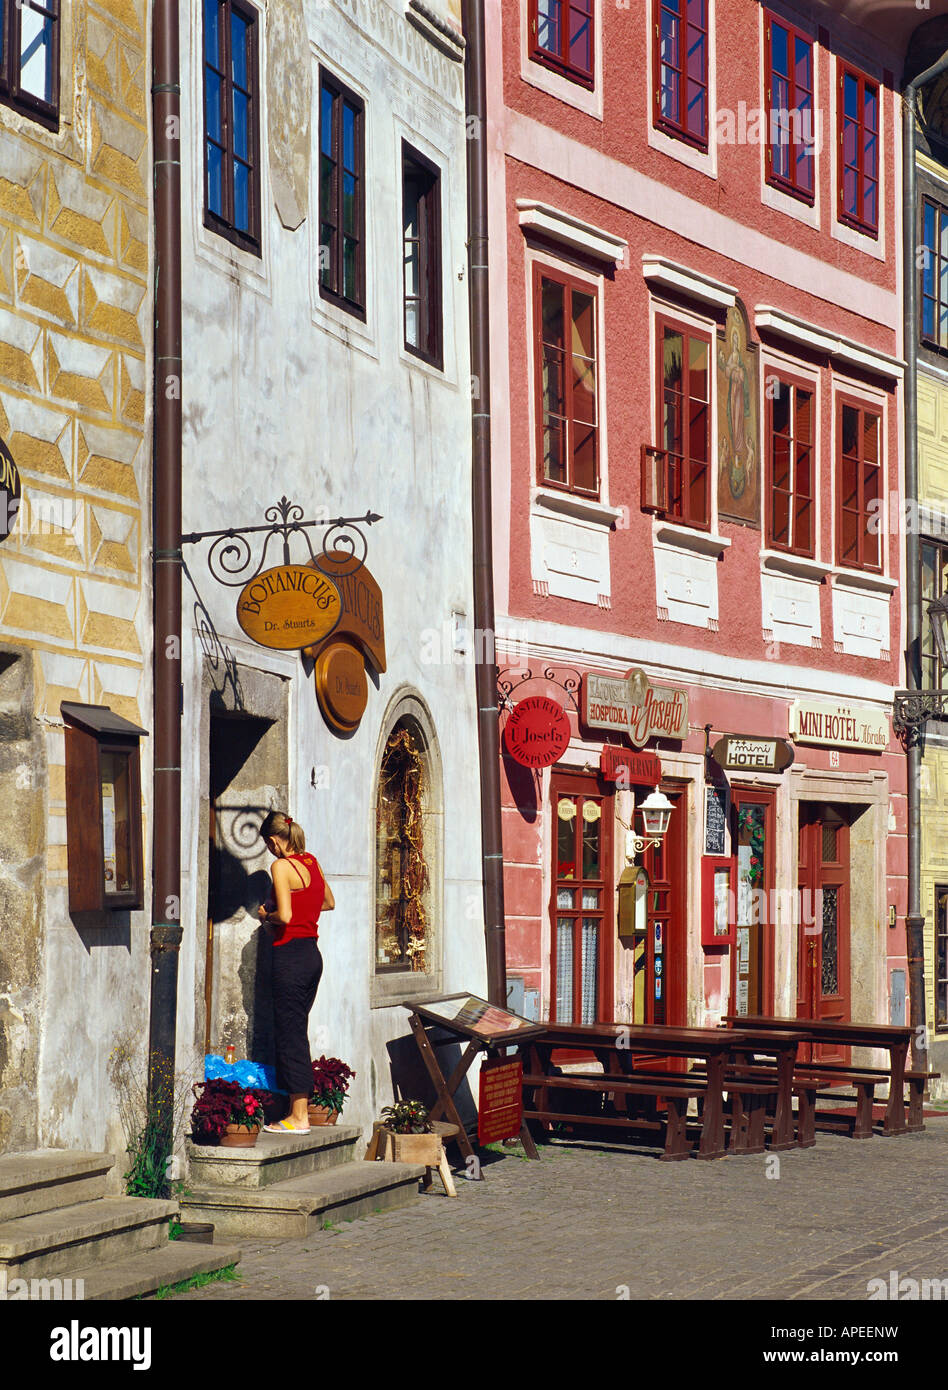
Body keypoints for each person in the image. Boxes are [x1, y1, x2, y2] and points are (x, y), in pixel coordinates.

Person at [257, 810, 335, 1134]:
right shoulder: (311, 862)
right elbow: (329, 902)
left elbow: (285, 916)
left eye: (269, 845)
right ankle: (295, 1109)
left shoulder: (281, 866)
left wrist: (267, 914)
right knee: (296, 1030)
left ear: (275, 840)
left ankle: (299, 1116)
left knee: (290, 1035)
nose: (271, 851)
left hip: (289, 956)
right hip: (311, 956)